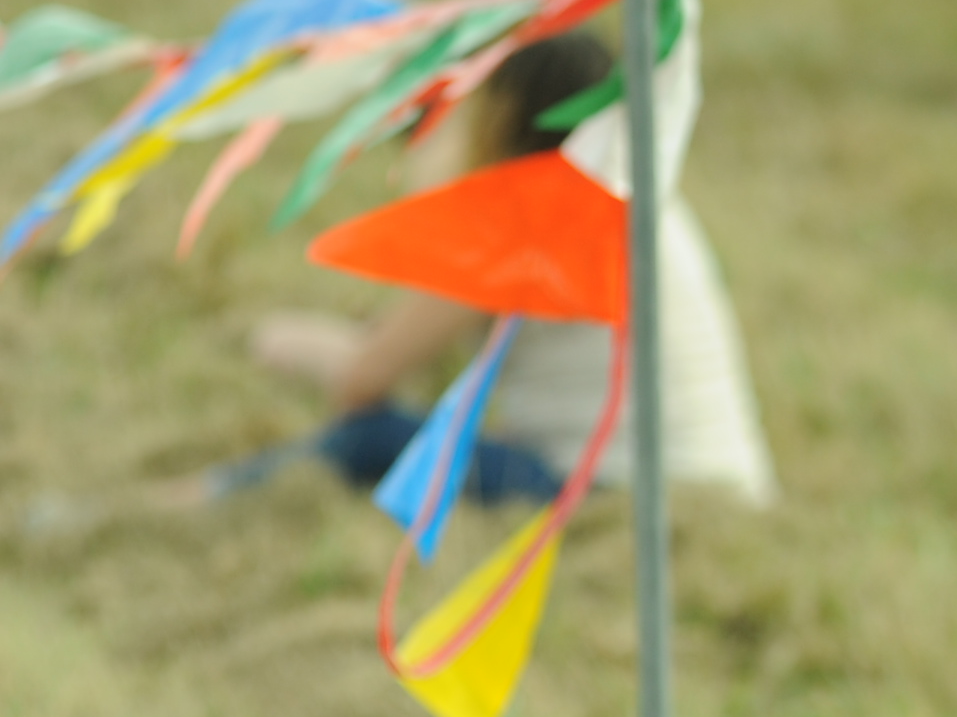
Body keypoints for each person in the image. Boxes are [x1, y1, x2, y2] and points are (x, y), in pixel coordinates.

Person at [180, 32, 778, 513]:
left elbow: (363, 379)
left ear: (504, 117)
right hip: (723, 492)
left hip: (620, 499)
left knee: (370, 437)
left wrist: (289, 344)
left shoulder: (517, 227)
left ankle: (200, 497)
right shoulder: (639, 195)